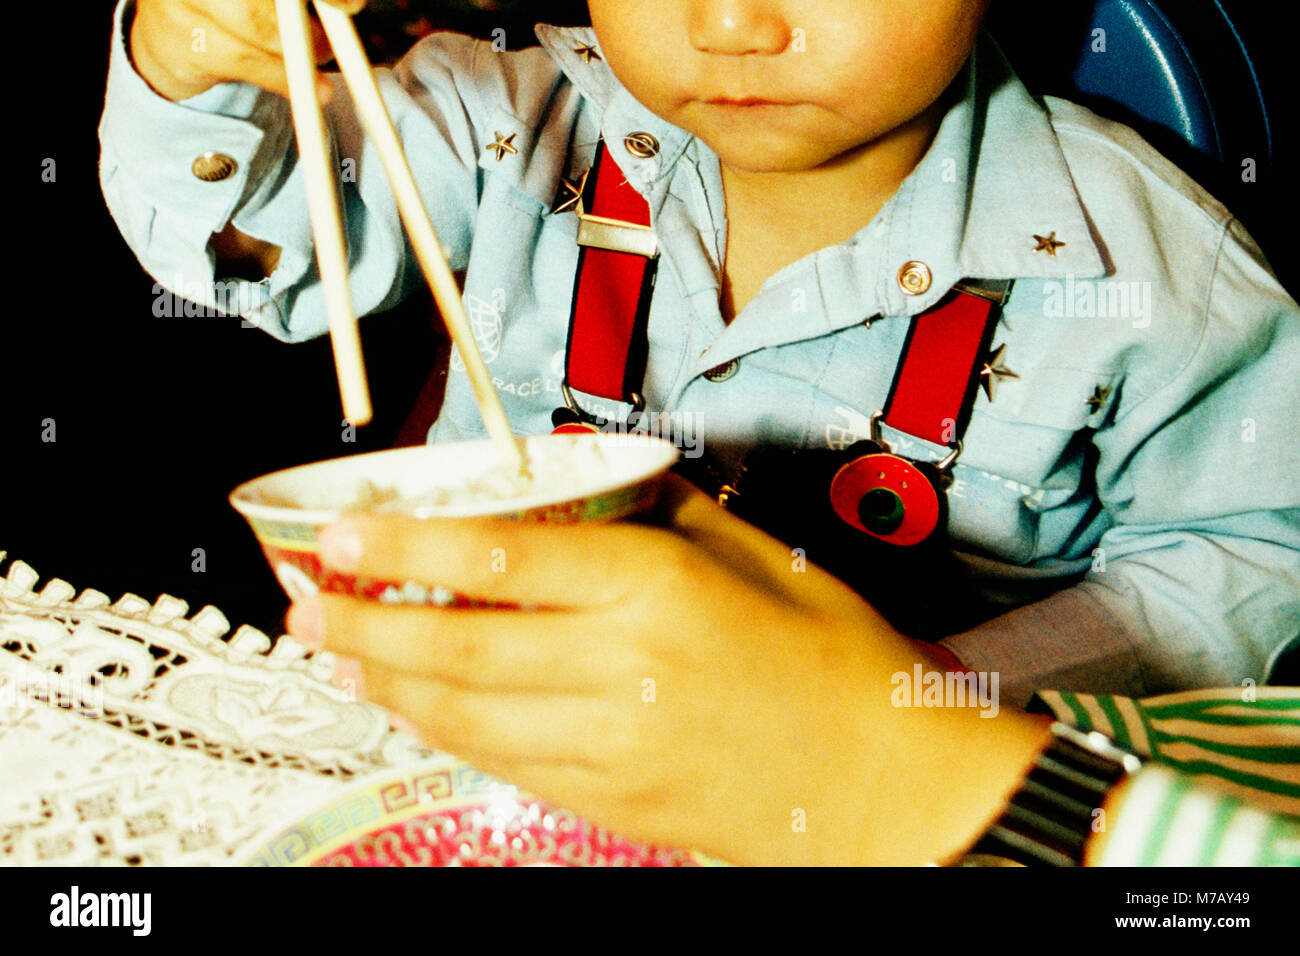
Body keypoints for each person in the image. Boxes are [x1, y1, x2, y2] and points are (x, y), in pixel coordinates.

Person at [100, 1, 1300, 861]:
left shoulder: (1151, 269)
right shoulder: (502, 123)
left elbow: (1253, 555)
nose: (730, 24)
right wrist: (193, 52)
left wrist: (930, 703)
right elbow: (255, 248)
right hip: (487, 759)